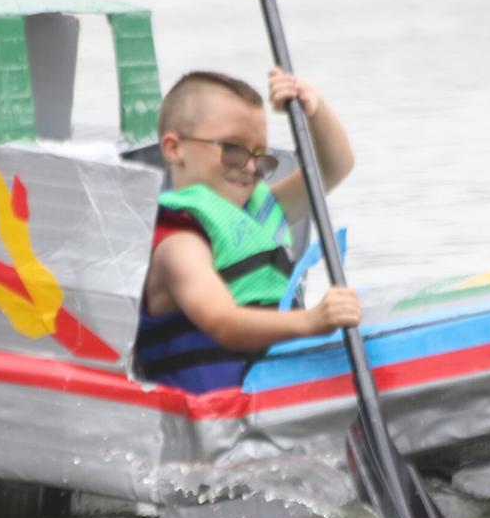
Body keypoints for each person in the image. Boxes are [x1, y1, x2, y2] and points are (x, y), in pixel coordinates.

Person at [135, 68, 362, 393]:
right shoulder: (179, 243)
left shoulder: (266, 211)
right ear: (174, 148)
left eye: (260, 156)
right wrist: (312, 321)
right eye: (233, 149)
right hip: (214, 420)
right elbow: (223, 323)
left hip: (271, 393)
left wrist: (312, 107)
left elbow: (334, 167)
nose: (251, 166)